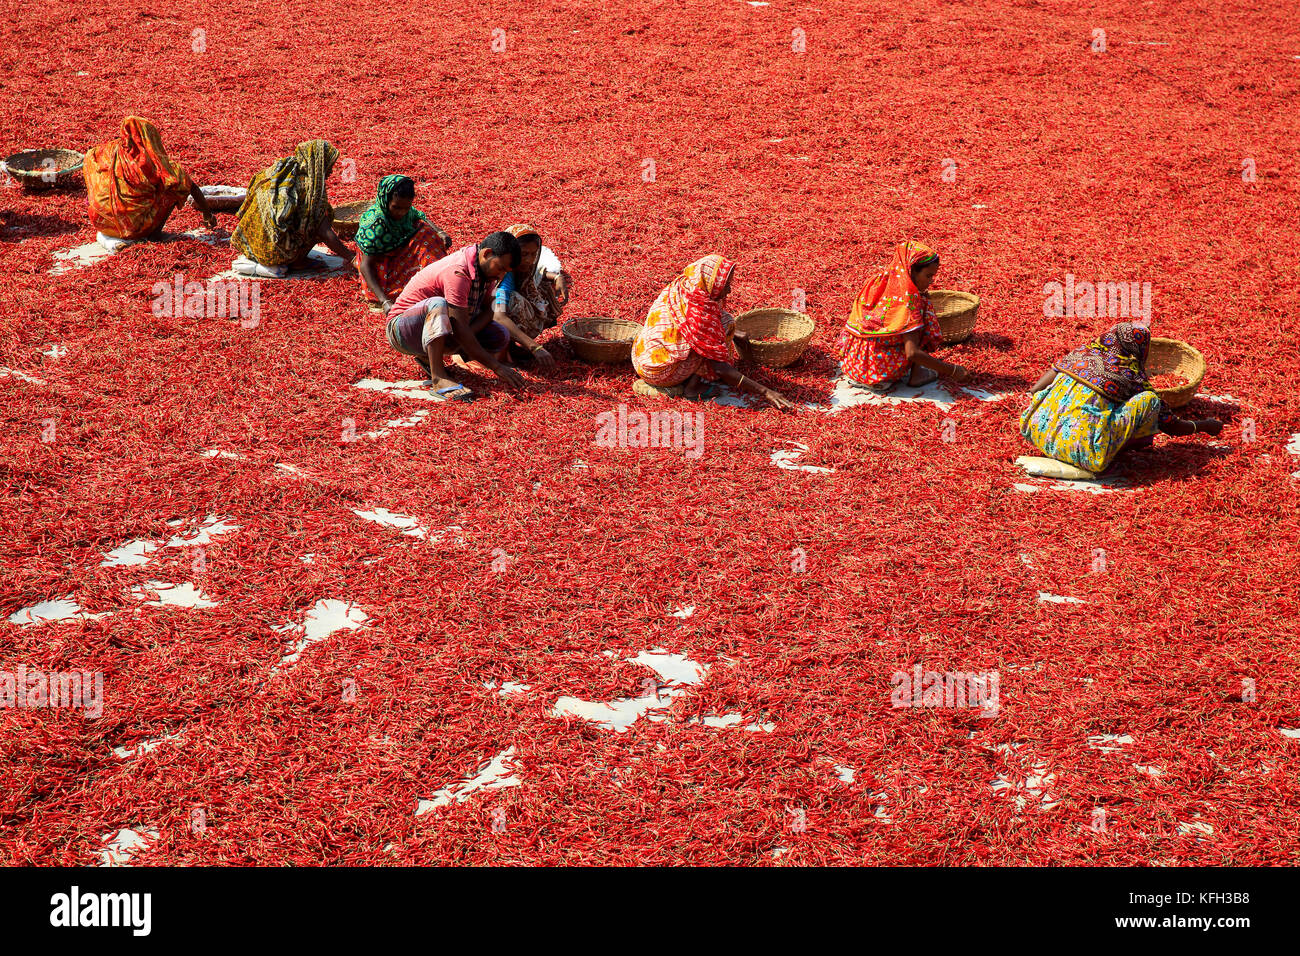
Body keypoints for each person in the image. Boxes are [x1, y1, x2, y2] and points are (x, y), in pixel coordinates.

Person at [1021, 321, 1223, 475]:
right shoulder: (1131, 374)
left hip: (1036, 433)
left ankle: (1055, 433)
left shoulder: (1082, 352)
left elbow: (1043, 381)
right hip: (1084, 453)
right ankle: (1110, 446)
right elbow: (1171, 425)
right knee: (1148, 400)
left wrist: (1039, 394)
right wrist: (1205, 425)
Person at [386, 231, 554, 400]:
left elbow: (490, 310)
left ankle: (427, 356)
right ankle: (438, 377)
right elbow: (459, 327)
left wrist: (468, 334)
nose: (501, 275)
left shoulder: (486, 271)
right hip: (401, 329)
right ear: (487, 253)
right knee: (438, 304)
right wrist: (496, 366)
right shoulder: (458, 271)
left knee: (499, 334)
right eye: (501, 268)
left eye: (506, 272)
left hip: (432, 328)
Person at [631, 254, 795, 409]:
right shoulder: (700, 313)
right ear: (710, 283)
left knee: (721, 325)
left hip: (643, 357)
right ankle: (692, 389)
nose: (729, 291)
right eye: (726, 285)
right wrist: (766, 391)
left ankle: (684, 373)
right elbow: (720, 368)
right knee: (720, 329)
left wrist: (733, 334)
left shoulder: (684, 286)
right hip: (661, 372)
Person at [838, 241, 970, 392]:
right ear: (911, 270)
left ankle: (872, 369)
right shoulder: (909, 301)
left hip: (852, 363)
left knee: (916, 310)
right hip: (879, 372)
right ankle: (917, 374)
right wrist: (952, 370)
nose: (931, 281)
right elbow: (912, 353)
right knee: (922, 313)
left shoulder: (878, 281)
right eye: (928, 276)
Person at [82, 117, 217, 250]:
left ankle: (111, 227)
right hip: (132, 228)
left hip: (101, 221)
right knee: (174, 186)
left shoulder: (106, 151)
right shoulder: (152, 163)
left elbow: (89, 156)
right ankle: (155, 234)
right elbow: (191, 186)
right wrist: (207, 214)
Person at [230, 140, 354, 277]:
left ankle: (286, 254)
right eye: (328, 164)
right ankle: (297, 261)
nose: (331, 170)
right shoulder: (310, 189)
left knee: (312, 214)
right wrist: (352, 258)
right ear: (319, 163)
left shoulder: (283, 171)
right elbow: (324, 232)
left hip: (250, 244)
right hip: (274, 252)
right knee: (322, 215)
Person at [355, 175, 453, 312]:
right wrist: (384, 302)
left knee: (426, 233)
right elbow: (366, 265)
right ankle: (433, 283)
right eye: (396, 207)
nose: (401, 213)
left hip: (398, 253)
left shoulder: (406, 211)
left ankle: (438, 280)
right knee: (424, 235)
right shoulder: (375, 223)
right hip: (381, 268)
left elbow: (419, 217)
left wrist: (440, 232)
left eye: (406, 208)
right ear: (386, 199)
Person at [496, 223, 571, 361]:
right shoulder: (503, 277)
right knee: (514, 300)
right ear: (510, 252)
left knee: (543, 288)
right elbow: (498, 317)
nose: (529, 260)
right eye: (524, 254)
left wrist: (557, 277)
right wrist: (534, 346)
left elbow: (538, 273)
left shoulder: (521, 270)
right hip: (483, 325)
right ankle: (501, 352)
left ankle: (511, 345)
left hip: (498, 319)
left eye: (534, 254)